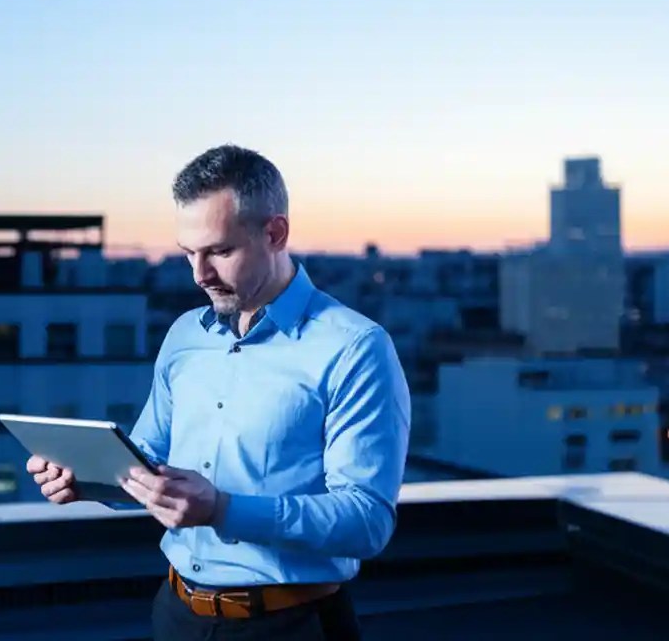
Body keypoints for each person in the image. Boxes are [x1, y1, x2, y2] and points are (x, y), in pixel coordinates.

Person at [26, 145, 411, 640]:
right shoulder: (185, 336)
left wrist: (223, 509)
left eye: (220, 252)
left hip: (291, 626)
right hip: (176, 614)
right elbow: (149, 465)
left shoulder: (355, 348)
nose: (199, 275)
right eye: (189, 253)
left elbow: (366, 520)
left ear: (275, 233)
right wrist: (92, 481)